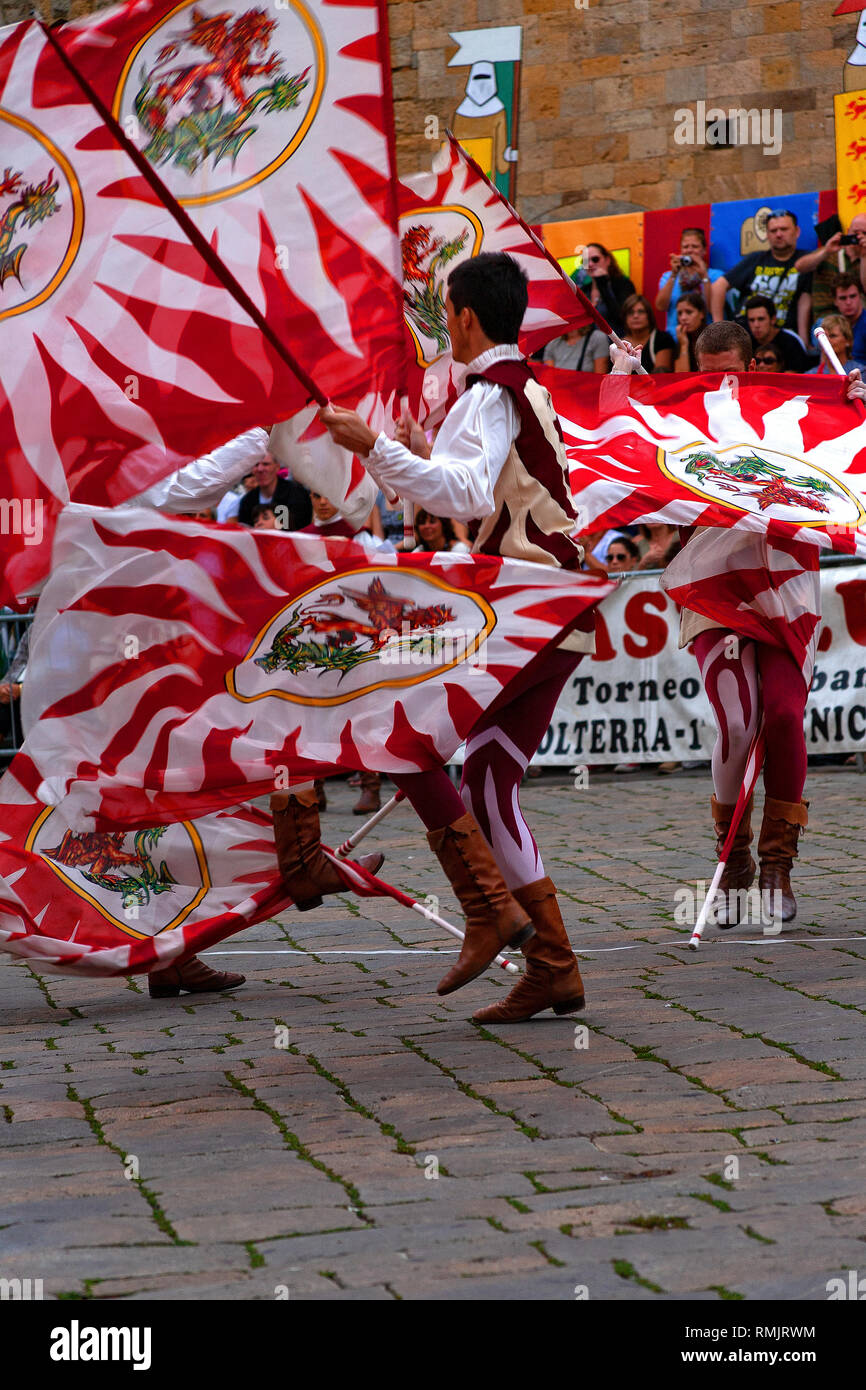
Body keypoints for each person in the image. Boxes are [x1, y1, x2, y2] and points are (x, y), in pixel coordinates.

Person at [301, 251, 595, 1023]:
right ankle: (551, 964)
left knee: (404, 731)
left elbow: (463, 490)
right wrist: (404, 452)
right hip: (551, 605)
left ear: (464, 317)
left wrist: (372, 446)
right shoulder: (523, 386)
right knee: (489, 780)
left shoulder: (491, 394)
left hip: (529, 605)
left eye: (446, 315)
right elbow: (476, 482)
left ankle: (495, 917)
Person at [615, 321, 865, 925]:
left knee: (781, 712)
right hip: (711, 581)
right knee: (737, 715)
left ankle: (780, 863)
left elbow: (844, 462)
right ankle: (735, 862)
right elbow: (621, 436)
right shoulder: (681, 412)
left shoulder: (794, 410)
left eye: (732, 371)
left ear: (754, 366)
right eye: (708, 374)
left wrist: (853, 409)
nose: (721, 384)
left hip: (784, 583)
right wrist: (621, 382)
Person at [715, 210, 812, 343]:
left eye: (784, 229)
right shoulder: (756, 259)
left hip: (782, 336)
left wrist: (804, 340)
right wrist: (719, 329)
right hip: (744, 334)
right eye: (773, 231)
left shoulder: (807, 261)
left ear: (797, 231)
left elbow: (804, 299)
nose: (778, 234)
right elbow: (718, 286)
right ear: (767, 235)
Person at [655, 227, 723, 333]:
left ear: (704, 250)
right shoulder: (668, 277)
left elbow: (711, 309)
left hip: (707, 336)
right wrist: (674, 274)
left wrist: (704, 276)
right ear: (681, 250)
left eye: (695, 246)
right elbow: (660, 306)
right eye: (686, 247)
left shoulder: (716, 276)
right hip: (675, 337)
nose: (690, 250)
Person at [237, 451, 312, 531]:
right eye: (256, 465)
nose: (260, 469)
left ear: (277, 467)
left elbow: (299, 527)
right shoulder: (247, 501)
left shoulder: (296, 494)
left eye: (266, 464)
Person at [573, 243, 635, 337]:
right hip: (589, 347)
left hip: (616, 344)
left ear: (607, 260)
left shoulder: (623, 285)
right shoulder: (583, 290)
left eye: (595, 259)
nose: (590, 264)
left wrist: (602, 284)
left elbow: (623, 318)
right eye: (585, 261)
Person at [743, 295, 809, 372]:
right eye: (752, 320)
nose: (756, 325)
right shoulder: (746, 344)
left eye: (761, 319)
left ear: (773, 319)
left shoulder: (791, 343)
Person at [620, 294, 676, 373]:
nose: (635, 316)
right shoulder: (617, 344)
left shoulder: (662, 339)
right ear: (625, 318)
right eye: (630, 312)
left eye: (641, 311)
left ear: (649, 316)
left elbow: (661, 376)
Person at [828, 273, 866, 366]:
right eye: (843, 298)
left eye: (853, 296)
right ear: (835, 301)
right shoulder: (830, 324)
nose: (848, 302)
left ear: (860, 296)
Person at [542, 323, 610, 373]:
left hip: (587, 390)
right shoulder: (553, 342)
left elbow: (599, 378)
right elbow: (549, 377)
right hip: (559, 390)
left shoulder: (597, 338)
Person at [674, 292, 708, 372]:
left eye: (689, 312)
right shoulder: (681, 337)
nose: (683, 318)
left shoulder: (712, 336)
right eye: (680, 313)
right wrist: (683, 345)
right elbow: (681, 375)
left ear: (702, 314)